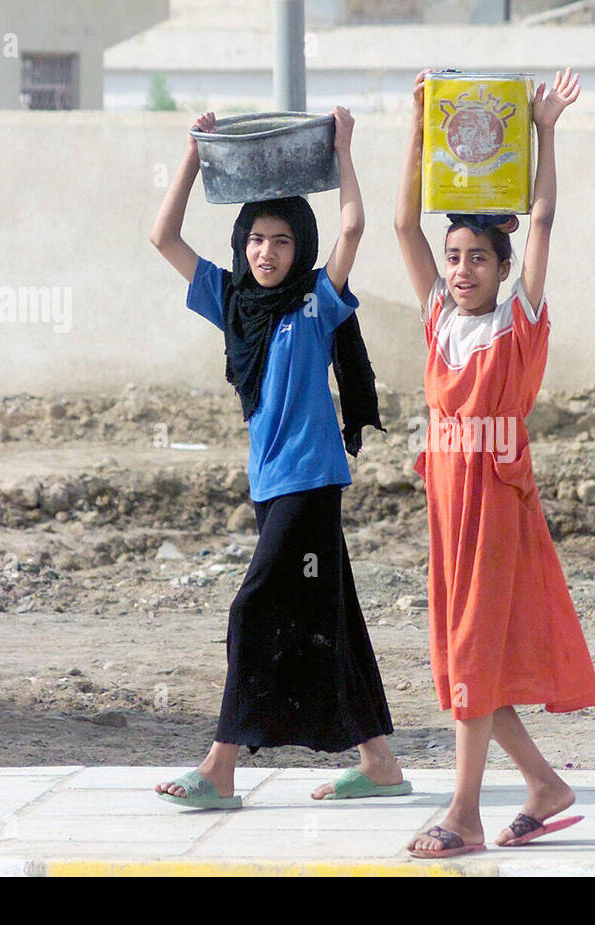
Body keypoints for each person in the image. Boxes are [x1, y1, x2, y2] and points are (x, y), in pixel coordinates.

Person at [148, 107, 409, 808]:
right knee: (336, 619)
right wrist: (193, 157)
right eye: (257, 240)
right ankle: (380, 761)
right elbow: (162, 235)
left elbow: (353, 225)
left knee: (253, 611)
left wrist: (344, 148)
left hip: (312, 483)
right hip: (270, 486)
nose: (267, 252)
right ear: (243, 245)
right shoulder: (233, 303)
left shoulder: (315, 305)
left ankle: (220, 765)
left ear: (301, 249)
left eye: (283, 241)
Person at [394, 70, 595, 857]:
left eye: (477, 257)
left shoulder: (519, 322)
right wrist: (420, 124)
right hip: (449, 508)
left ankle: (464, 812)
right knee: (464, 662)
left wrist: (548, 129)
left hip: (498, 509)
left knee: (475, 658)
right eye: (454, 256)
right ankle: (545, 787)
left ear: (500, 265)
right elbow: (400, 225)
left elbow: (543, 215)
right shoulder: (440, 322)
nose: (460, 269)